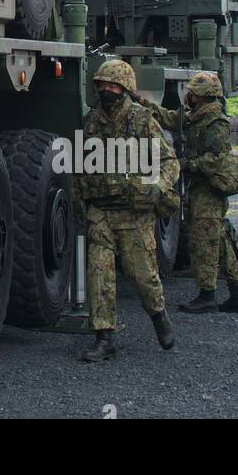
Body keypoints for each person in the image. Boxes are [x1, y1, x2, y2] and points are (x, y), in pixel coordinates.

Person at [74, 59, 176, 362]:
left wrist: (156, 187)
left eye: (113, 85)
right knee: (99, 274)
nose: (107, 90)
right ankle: (103, 338)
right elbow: (80, 163)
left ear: (125, 88)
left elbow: (169, 162)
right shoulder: (91, 121)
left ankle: (159, 316)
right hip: (101, 213)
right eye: (102, 84)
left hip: (134, 215)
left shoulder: (142, 120)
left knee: (143, 276)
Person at [145, 71, 238, 314]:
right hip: (200, 188)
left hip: (209, 190)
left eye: (191, 93)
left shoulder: (215, 123)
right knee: (220, 241)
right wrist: (144, 103)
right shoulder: (195, 116)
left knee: (204, 243)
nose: (187, 97)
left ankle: (207, 295)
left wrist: (186, 164)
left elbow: (216, 159)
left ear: (200, 96)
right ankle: (237, 296)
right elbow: (170, 119)